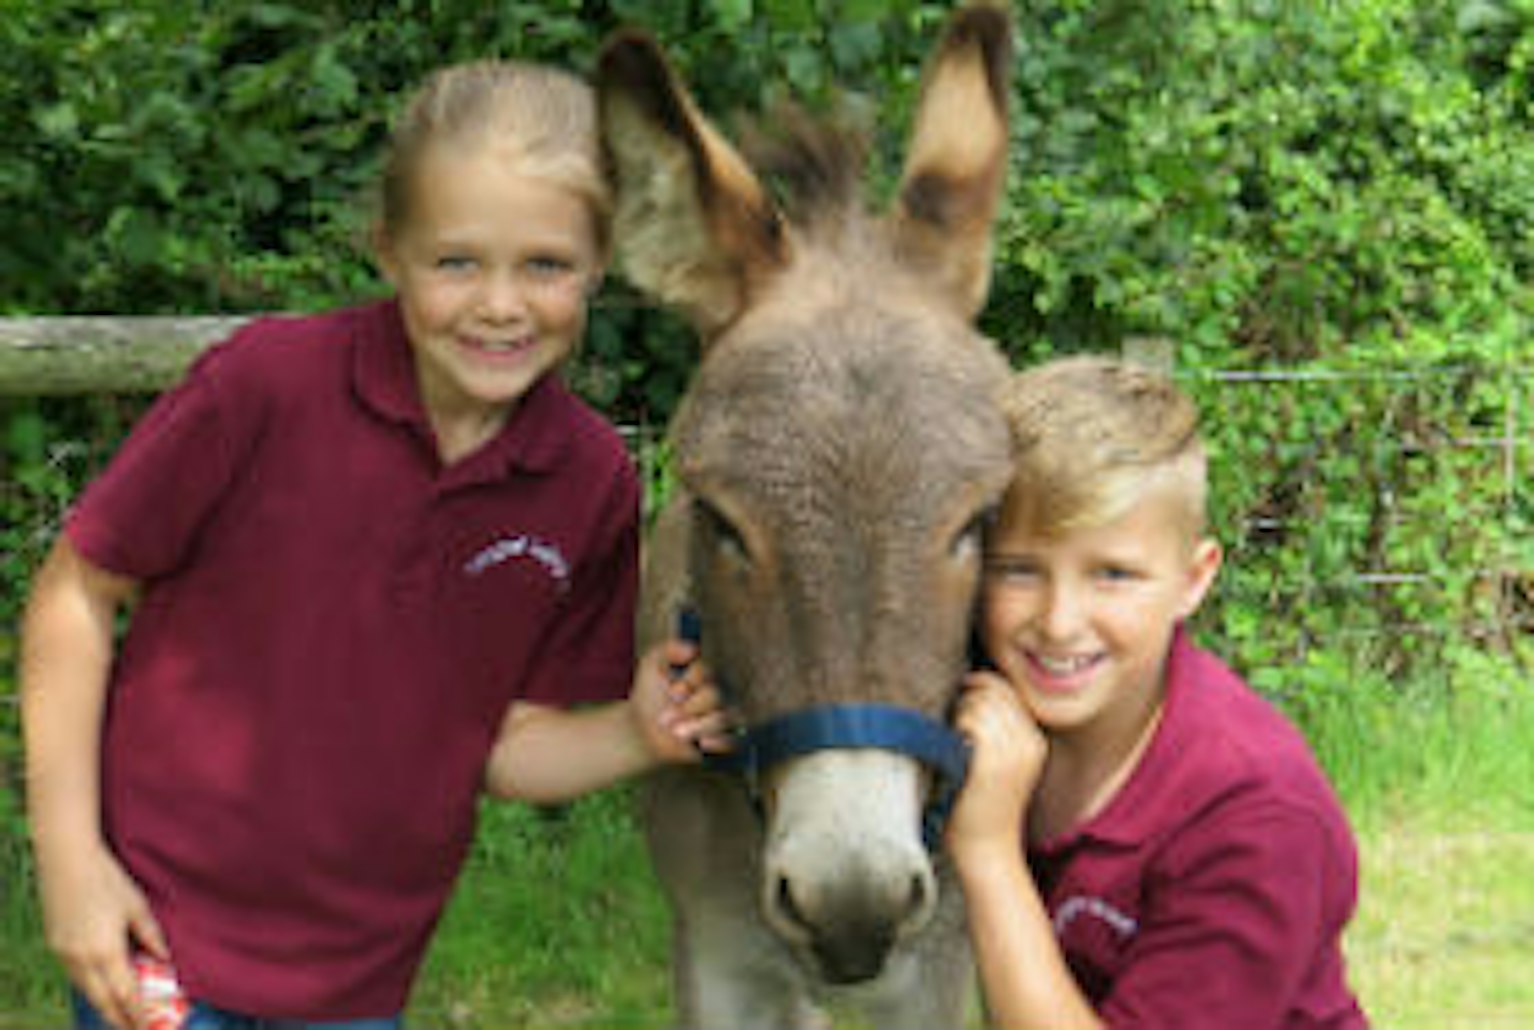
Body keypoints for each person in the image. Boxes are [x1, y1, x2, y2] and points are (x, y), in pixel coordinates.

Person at [21, 60, 729, 1030]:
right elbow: (75, 593)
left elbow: (505, 744)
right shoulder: (263, 388)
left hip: (354, 980)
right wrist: (71, 869)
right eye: (456, 262)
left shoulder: (591, 480)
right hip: (154, 930)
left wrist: (634, 732)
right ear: (388, 248)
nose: (500, 304)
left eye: (545, 265)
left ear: (598, 264)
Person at [948, 356, 1367, 1028]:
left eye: (1112, 574)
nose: (1058, 622)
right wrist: (719, 707)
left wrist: (989, 850)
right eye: (1018, 570)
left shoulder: (1256, 814)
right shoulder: (975, 695)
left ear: (1194, 578)